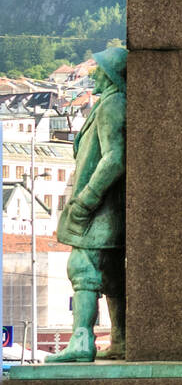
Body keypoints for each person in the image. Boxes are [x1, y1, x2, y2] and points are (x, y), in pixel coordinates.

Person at [47, 48, 127, 363]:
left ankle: (81, 339)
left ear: (109, 74)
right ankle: (121, 338)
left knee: (82, 269)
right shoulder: (109, 104)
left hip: (99, 208)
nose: (94, 72)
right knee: (109, 275)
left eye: (100, 68)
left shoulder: (112, 105)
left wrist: (86, 200)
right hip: (107, 208)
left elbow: (114, 157)